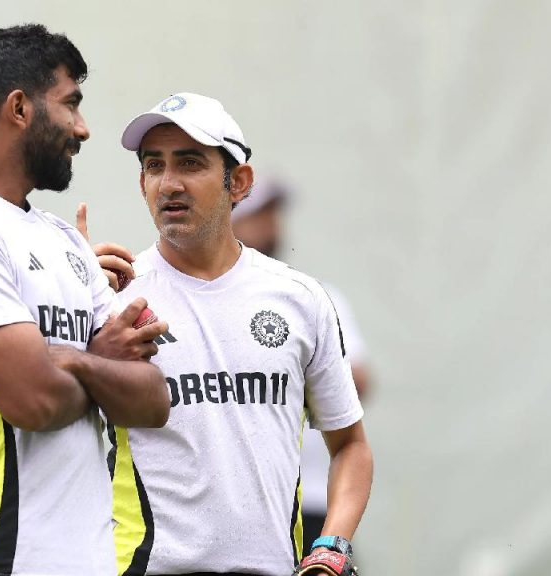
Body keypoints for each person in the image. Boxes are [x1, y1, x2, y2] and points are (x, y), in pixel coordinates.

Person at [0, 24, 171, 576]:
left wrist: (73, 359)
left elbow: (153, 401)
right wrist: (101, 364)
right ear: (19, 108)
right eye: (70, 105)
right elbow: (33, 401)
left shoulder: (64, 241)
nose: (83, 129)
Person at [85, 92, 373, 576]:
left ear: (238, 182)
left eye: (190, 163)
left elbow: (351, 445)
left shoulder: (300, 298)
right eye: (154, 166)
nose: (168, 184)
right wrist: (71, 306)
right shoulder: (107, 298)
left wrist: (331, 549)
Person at [232, 177, 374, 556]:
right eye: (258, 215)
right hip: (241, 515)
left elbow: (360, 380)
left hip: (315, 503)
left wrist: (287, 378)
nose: (271, 225)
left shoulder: (314, 297)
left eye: (273, 215)